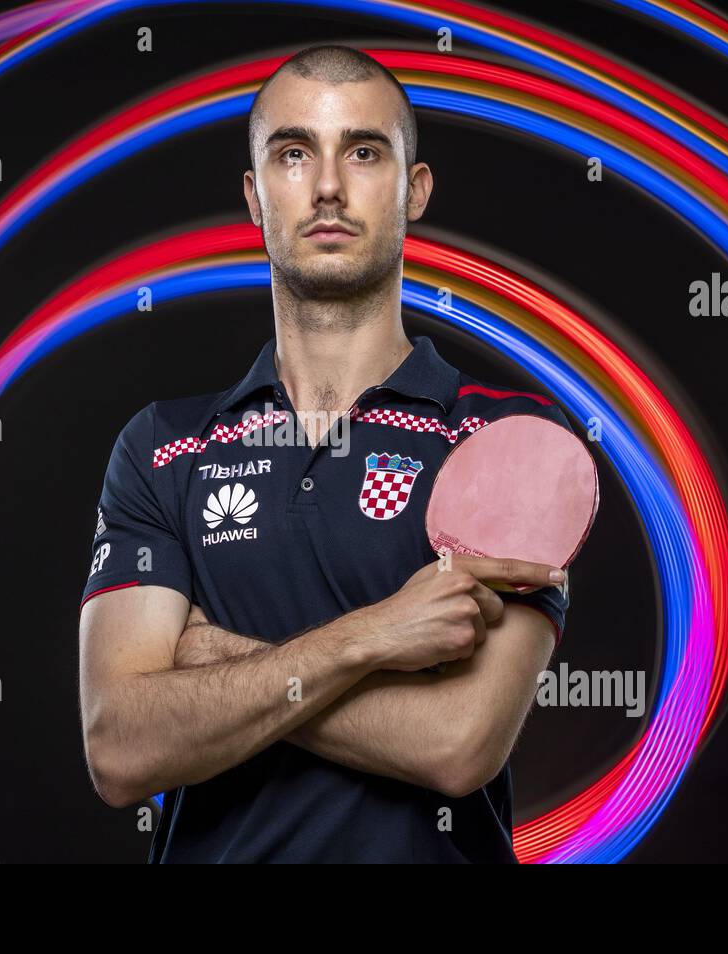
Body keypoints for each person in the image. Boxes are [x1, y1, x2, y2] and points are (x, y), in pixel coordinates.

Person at [78, 44, 573, 863]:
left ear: (414, 191)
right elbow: (122, 748)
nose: (330, 188)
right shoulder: (165, 447)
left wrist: (219, 661)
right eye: (294, 153)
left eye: (366, 152)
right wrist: (370, 638)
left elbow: (457, 744)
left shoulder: (509, 441)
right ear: (255, 194)